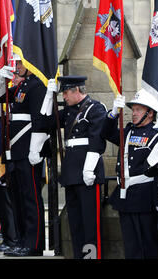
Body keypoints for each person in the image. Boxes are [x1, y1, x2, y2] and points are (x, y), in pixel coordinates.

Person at [0, 57, 53, 257]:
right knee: (17, 199)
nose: (16, 67)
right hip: (16, 151)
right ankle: (21, 240)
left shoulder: (37, 86)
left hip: (28, 152)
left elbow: (40, 120)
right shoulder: (22, 86)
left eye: (20, 63)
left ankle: (34, 244)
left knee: (30, 198)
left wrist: (35, 149)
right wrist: (1, 80)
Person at [102, 89, 158, 259]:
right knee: (131, 244)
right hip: (125, 195)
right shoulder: (128, 131)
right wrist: (113, 114)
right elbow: (106, 133)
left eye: (138, 110)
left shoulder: (157, 135)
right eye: (133, 109)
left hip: (145, 195)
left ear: (150, 113)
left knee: (147, 243)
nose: (134, 113)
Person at [56, 75, 107, 259]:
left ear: (77, 90)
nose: (64, 97)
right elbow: (46, 122)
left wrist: (89, 168)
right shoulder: (69, 111)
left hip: (87, 173)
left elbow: (96, 139)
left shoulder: (95, 108)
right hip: (71, 173)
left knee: (90, 224)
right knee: (75, 224)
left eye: (66, 92)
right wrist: (48, 96)